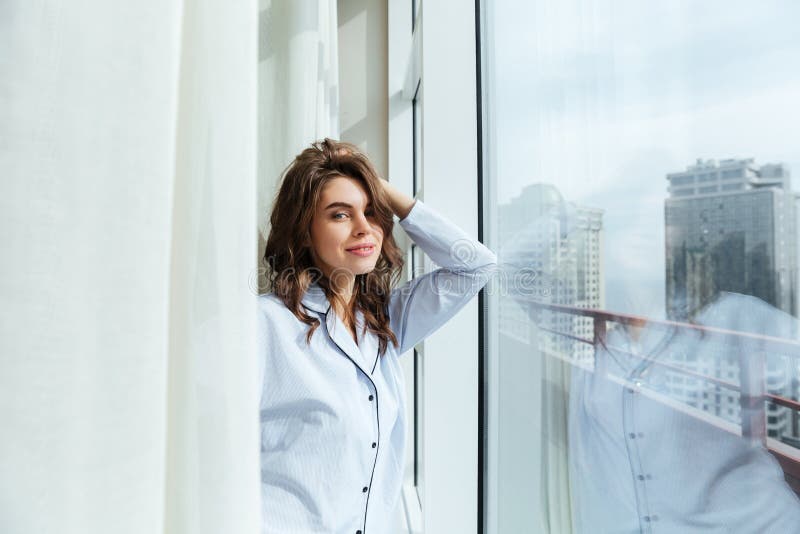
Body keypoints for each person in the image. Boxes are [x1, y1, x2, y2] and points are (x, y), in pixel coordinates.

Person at [257, 138, 497, 534]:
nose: (364, 228)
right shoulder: (266, 325)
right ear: (303, 232)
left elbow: (476, 266)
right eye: (340, 215)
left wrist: (382, 189)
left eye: (372, 212)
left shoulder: (383, 322)